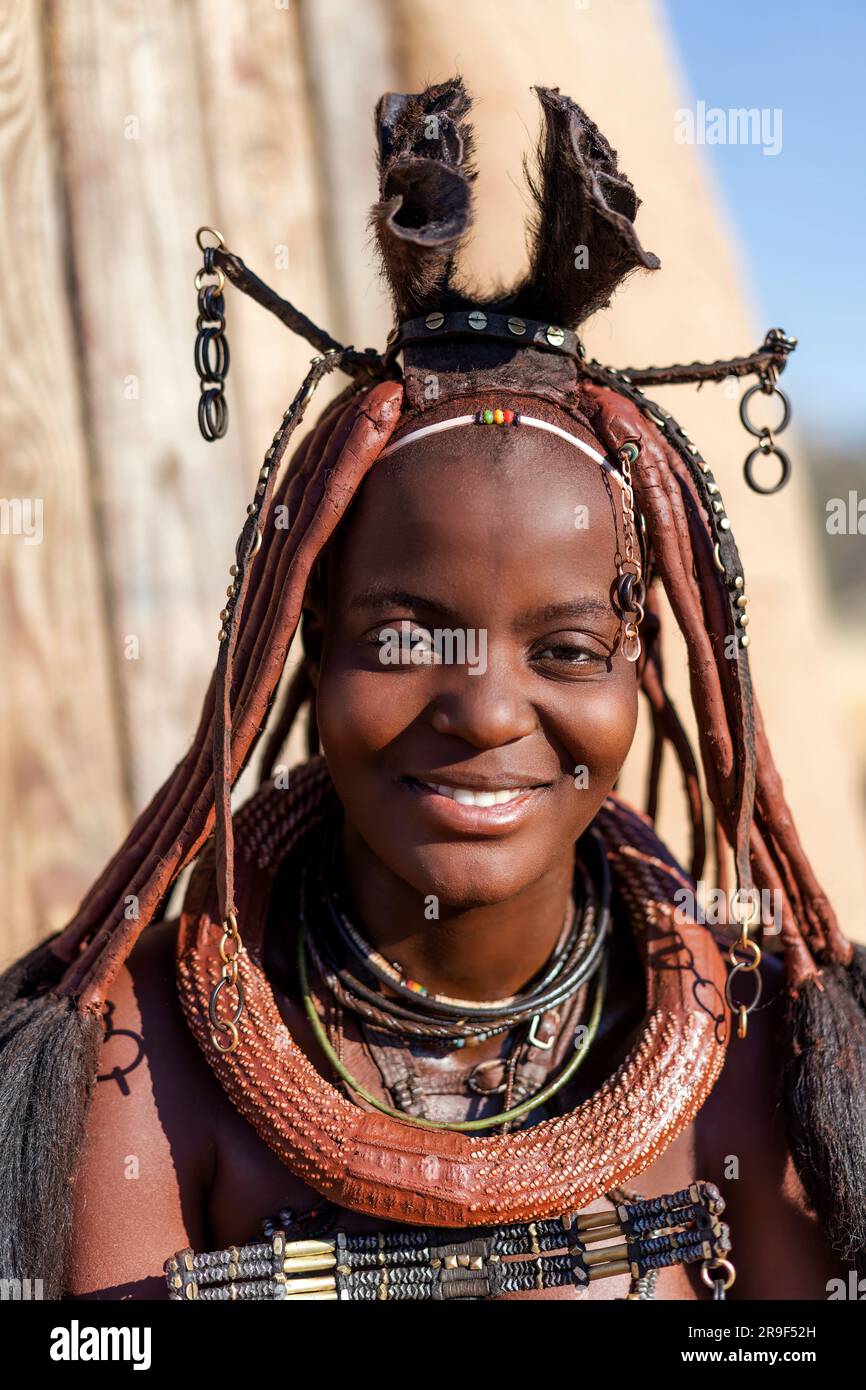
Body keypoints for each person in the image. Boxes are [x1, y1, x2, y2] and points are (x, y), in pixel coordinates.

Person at [2, 78, 864, 1303]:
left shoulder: (753, 1045)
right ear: (302, 648)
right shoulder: (145, 1059)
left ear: (641, 673)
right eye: (405, 638)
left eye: (565, 650)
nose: (485, 713)